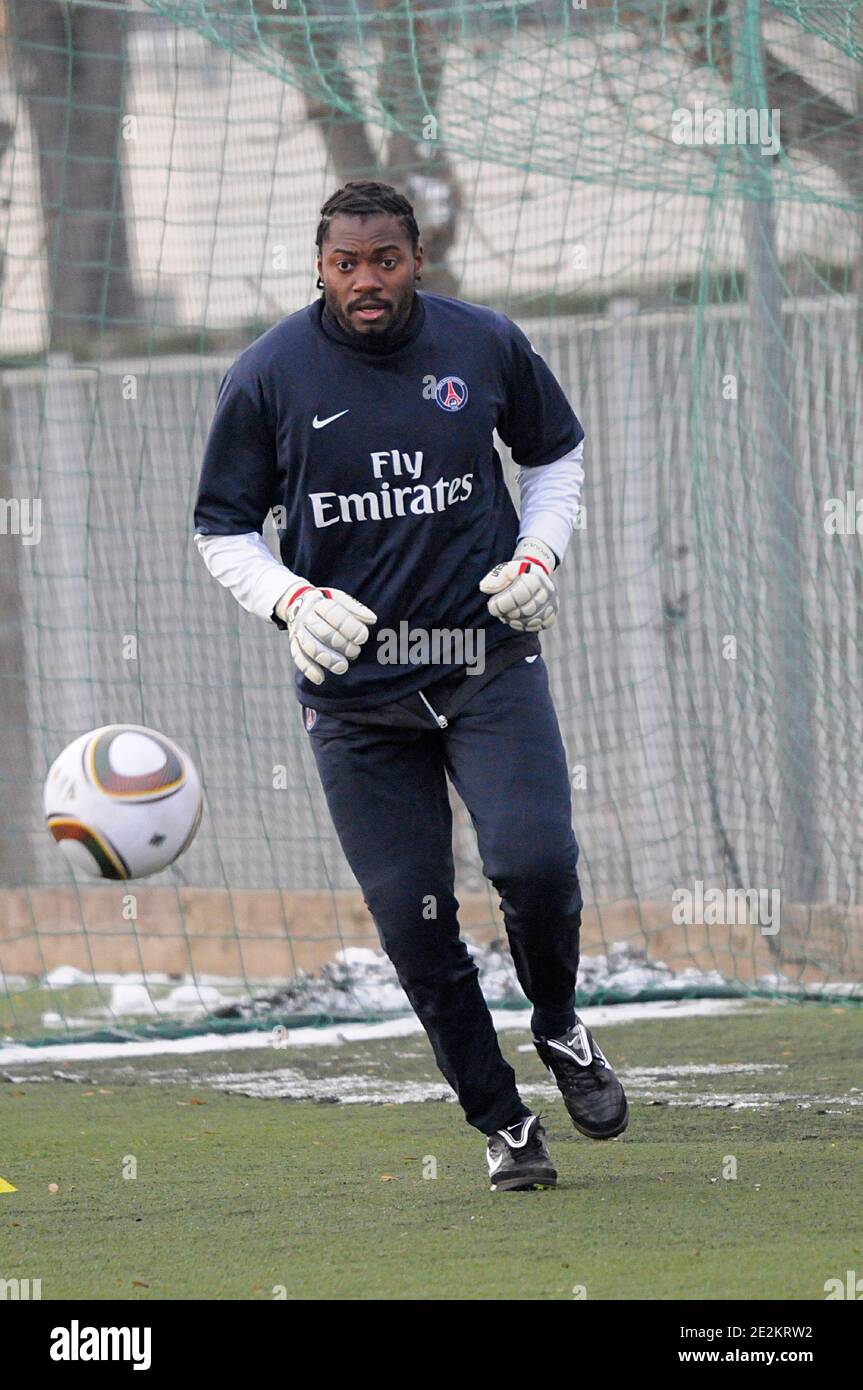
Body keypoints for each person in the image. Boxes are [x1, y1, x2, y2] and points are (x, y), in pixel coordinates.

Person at [194, 179, 629, 1192]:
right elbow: (220, 528)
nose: (365, 281)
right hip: (355, 701)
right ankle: (503, 1120)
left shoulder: (483, 344)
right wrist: (291, 600)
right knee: (416, 921)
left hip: (485, 662)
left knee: (532, 860)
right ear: (319, 265)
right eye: (345, 264)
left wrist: (537, 556)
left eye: (383, 260)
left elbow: (553, 454)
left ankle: (560, 1027)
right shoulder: (267, 376)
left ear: (415, 258)